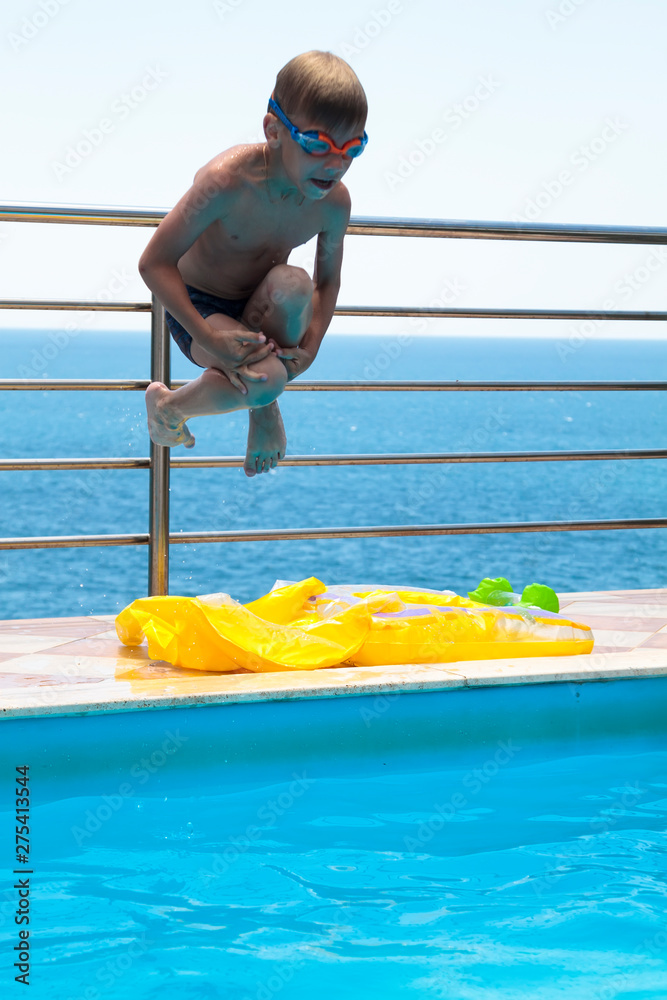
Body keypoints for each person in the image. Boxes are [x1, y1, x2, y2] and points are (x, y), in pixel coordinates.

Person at [138, 50, 368, 476]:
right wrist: (208, 334)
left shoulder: (334, 203)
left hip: (263, 302)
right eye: (318, 145)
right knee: (268, 380)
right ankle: (169, 408)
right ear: (273, 130)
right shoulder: (227, 182)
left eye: (353, 148)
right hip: (200, 307)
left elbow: (327, 283)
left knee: (295, 285)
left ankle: (260, 399)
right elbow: (154, 263)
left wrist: (312, 346)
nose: (336, 164)